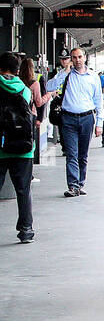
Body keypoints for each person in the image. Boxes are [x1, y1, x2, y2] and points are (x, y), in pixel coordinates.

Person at [45, 47, 103, 196]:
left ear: (85, 58)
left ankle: (80, 183)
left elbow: (98, 101)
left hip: (87, 118)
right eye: (74, 57)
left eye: (79, 57)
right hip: (68, 118)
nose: (77, 60)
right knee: (71, 153)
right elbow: (49, 86)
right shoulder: (66, 75)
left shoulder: (93, 77)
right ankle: (73, 185)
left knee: (82, 155)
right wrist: (64, 72)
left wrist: (99, 123)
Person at [0, 52, 36, 242]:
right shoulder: (25, 89)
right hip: (24, 147)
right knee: (23, 190)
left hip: (1, 147)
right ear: (17, 70)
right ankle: (26, 230)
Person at [18, 57, 51, 169]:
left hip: (17, 116)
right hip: (30, 115)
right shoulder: (34, 83)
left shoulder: (18, 81)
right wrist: (49, 95)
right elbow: (39, 102)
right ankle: (28, 171)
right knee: (30, 144)